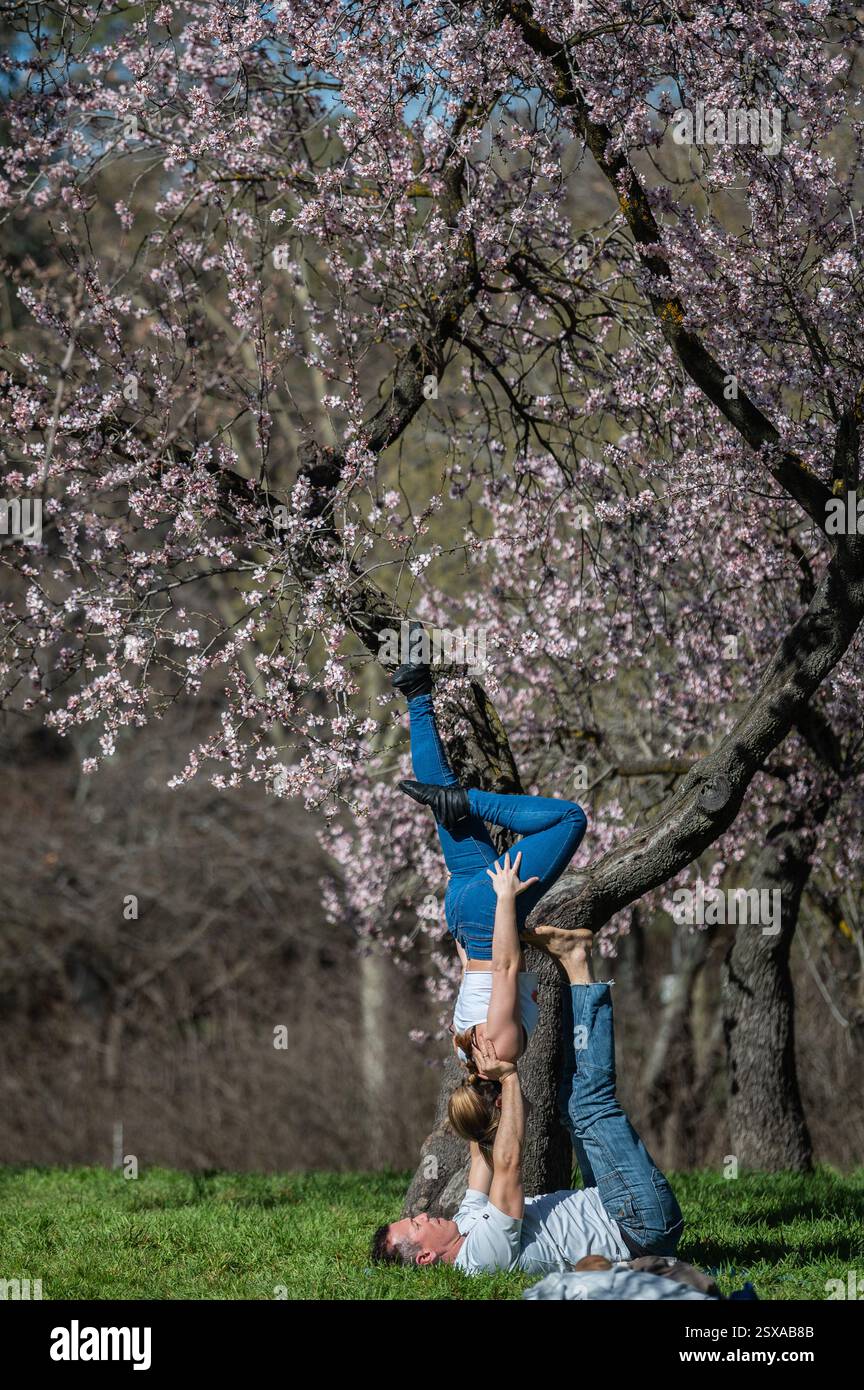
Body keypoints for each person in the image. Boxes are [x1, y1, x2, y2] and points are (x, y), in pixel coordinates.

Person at [371, 928, 684, 1272]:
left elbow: (482, 1155)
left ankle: (576, 965)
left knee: (570, 1101)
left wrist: (474, 1058)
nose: (423, 1214)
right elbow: (509, 1165)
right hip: (638, 1222)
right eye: (417, 1225)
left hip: (615, 1204)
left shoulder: (466, 1224)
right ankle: (578, 964)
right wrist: (507, 1077)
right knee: (590, 1105)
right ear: (426, 1256)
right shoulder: (482, 1257)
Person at [390, 654, 588, 1153]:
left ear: (497, 1103)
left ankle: (470, 801)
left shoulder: (502, 1048)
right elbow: (470, 973)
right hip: (462, 914)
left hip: (486, 914)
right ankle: (417, 692)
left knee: (569, 820)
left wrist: (504, 903)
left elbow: (503, 968)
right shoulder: (464, 1047)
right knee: (442, 797)